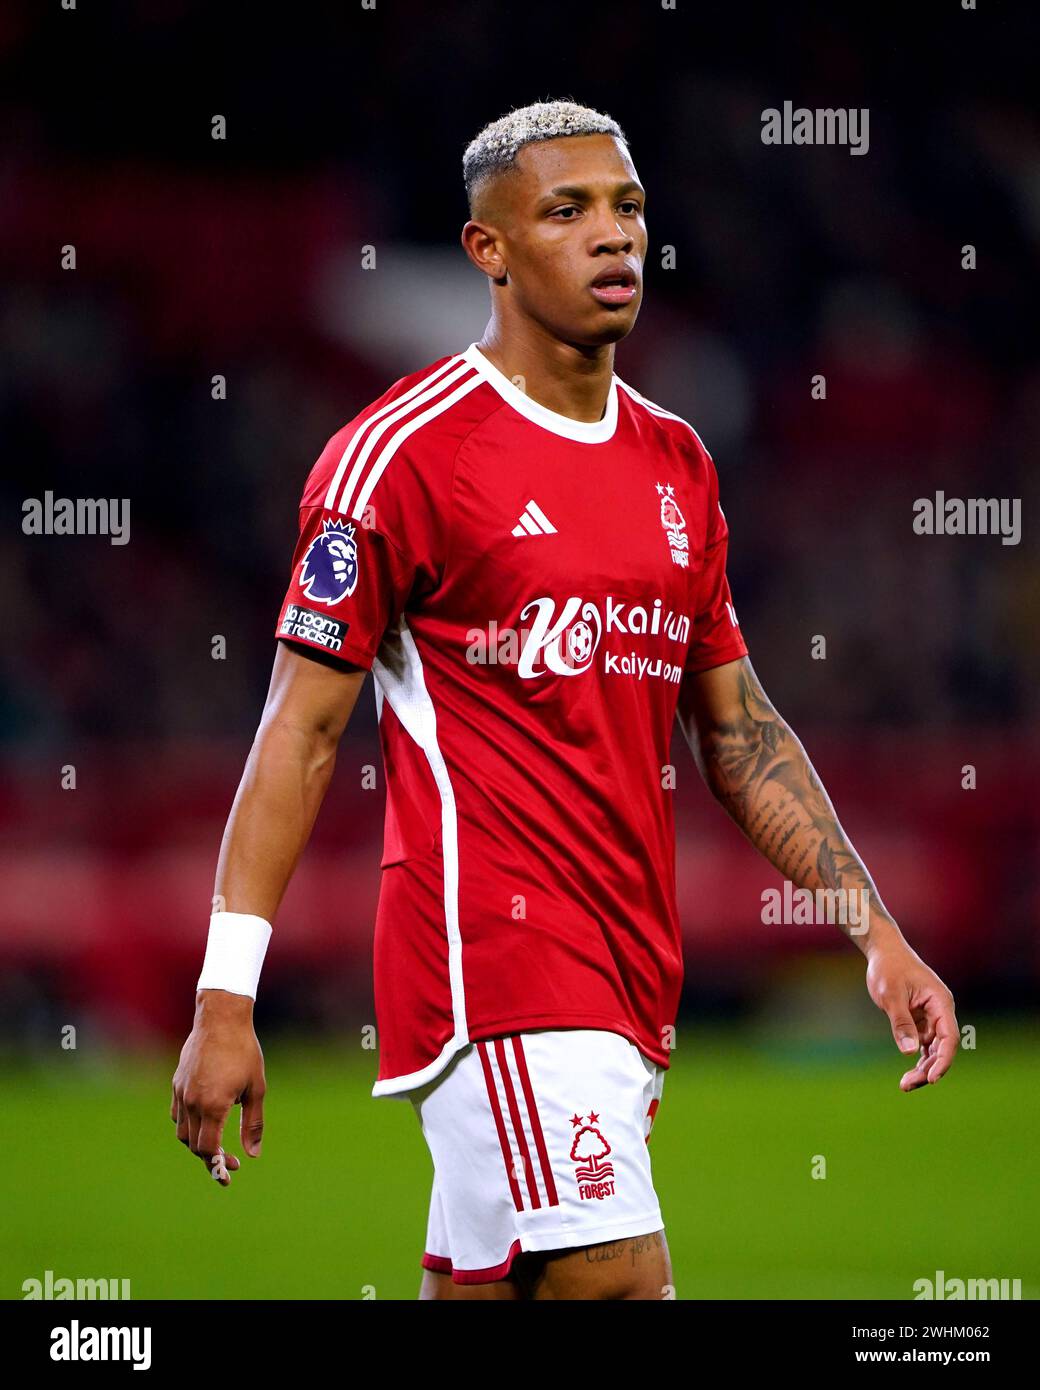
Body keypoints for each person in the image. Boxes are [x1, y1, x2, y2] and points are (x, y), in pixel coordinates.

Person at [171, 100, 959, 1301]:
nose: (612, 236)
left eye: (628, 207)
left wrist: (872, 929)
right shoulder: (402, 456)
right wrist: (225, 998)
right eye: (567, 210)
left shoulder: (675, 463)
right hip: (495, 963)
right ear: (487, 250)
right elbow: (302, 730)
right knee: (618, 1285)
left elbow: (737, 730)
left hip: (629, 970)